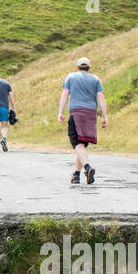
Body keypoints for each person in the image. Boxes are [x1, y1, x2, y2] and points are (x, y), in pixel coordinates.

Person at [57, 56, 107, 184]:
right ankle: (77, 174)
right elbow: (101, 97)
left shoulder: (71, 77)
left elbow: (65, 94)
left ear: (77, 67)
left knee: (77, 144)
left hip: (76, 113)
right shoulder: (96, 79)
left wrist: (61, 112)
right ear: (89, 68)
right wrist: (104, 117)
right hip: (91, 114)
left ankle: (87, 167)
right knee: (82, 146)